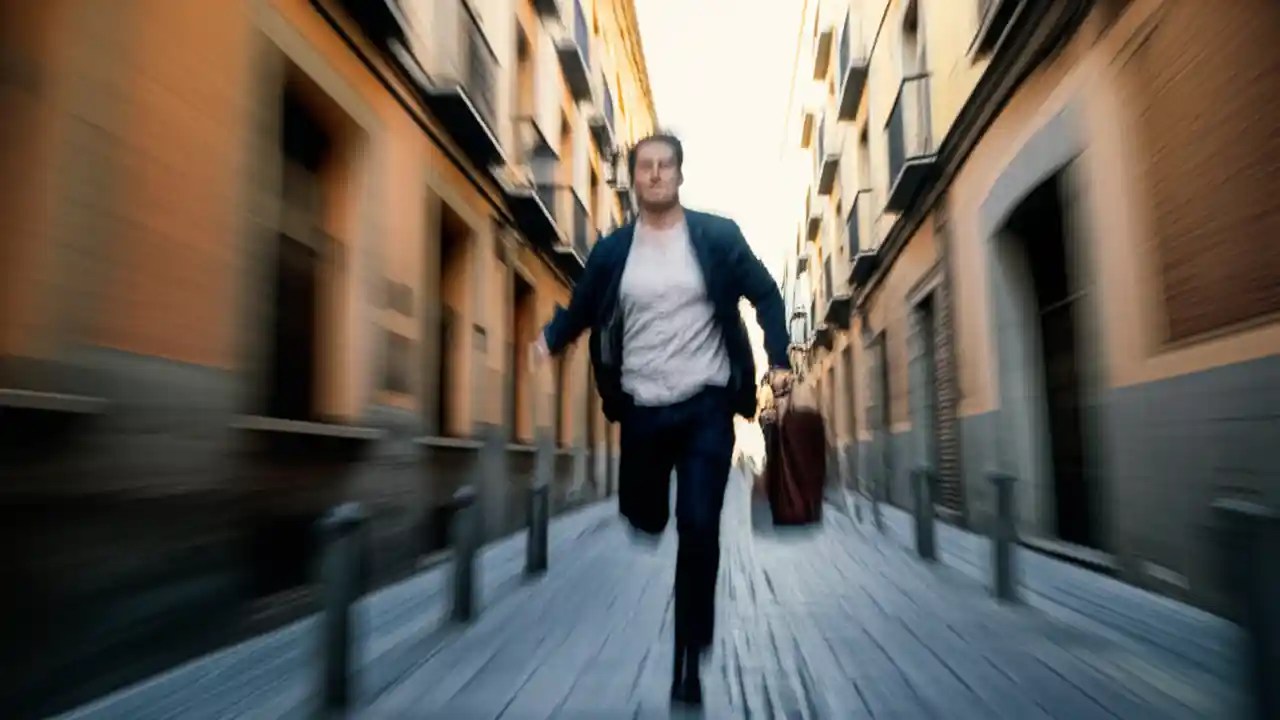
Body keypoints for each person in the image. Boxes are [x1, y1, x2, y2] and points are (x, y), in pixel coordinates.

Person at [532, 133, 793, 705]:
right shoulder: (612, 251)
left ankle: (687, 658)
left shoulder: (717, 237)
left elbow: (767, 293)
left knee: (698, 527)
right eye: (644, 167)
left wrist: (777, 359)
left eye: (664, 165)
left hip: (707, 404)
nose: (655, 175)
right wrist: (551, 340)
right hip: (643, 410)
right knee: (647, 518)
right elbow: (581, 309)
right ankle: (646, 516)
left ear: (679, 174)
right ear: (634, 179)